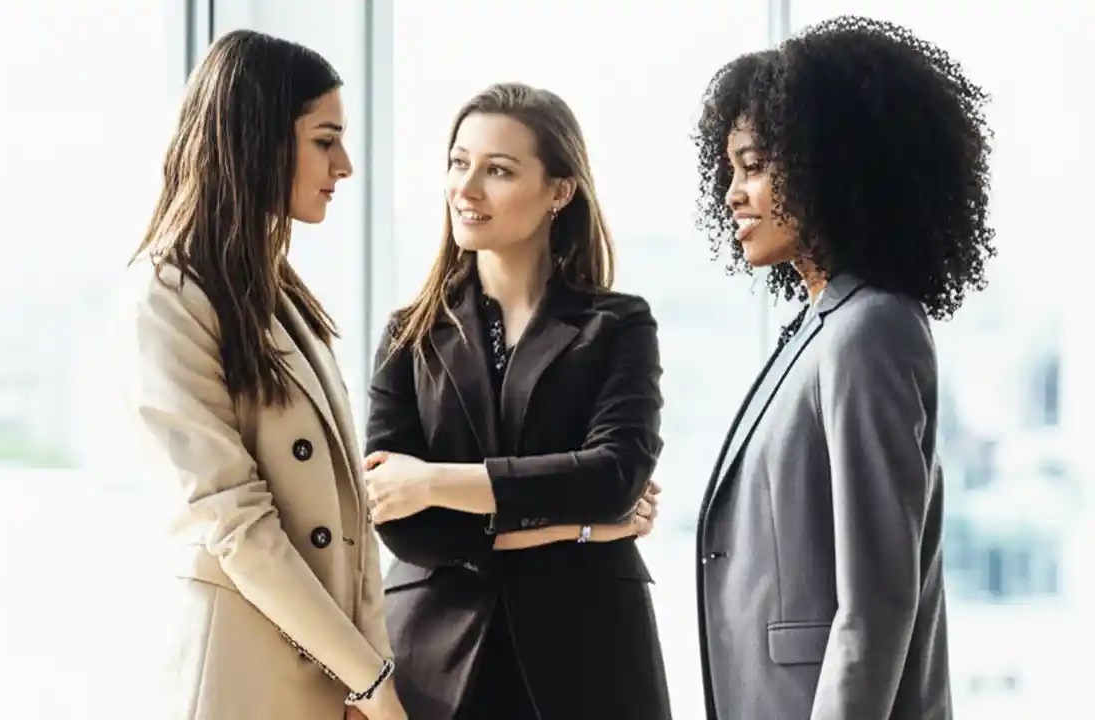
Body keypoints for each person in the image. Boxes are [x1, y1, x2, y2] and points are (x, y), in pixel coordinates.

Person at [692, 15, 996, 720]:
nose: (733, 193)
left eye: (756, 166)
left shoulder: (871, 330)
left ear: (831, 165)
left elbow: (875, 603)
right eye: (731, 168)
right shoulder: (823, 324)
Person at [363, 82, 673, 720]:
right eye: (459, 163)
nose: (467, 188)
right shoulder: (410, 334)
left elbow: (613, 475)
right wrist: (578, 527)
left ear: (560, 190)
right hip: (436, 661)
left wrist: (435, 482)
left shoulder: (618, 326)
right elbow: (398, 519)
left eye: (497, 170)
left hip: (591, 657)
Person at [121, 30, 406, 719]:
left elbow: (345, 523)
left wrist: (366, 676)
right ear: (259, 139)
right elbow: (233, 519)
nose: (345, 166)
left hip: (321, 671)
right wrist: (367, 679)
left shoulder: (274, 295)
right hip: (241, 677)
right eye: (325, 139)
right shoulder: (168, 295)